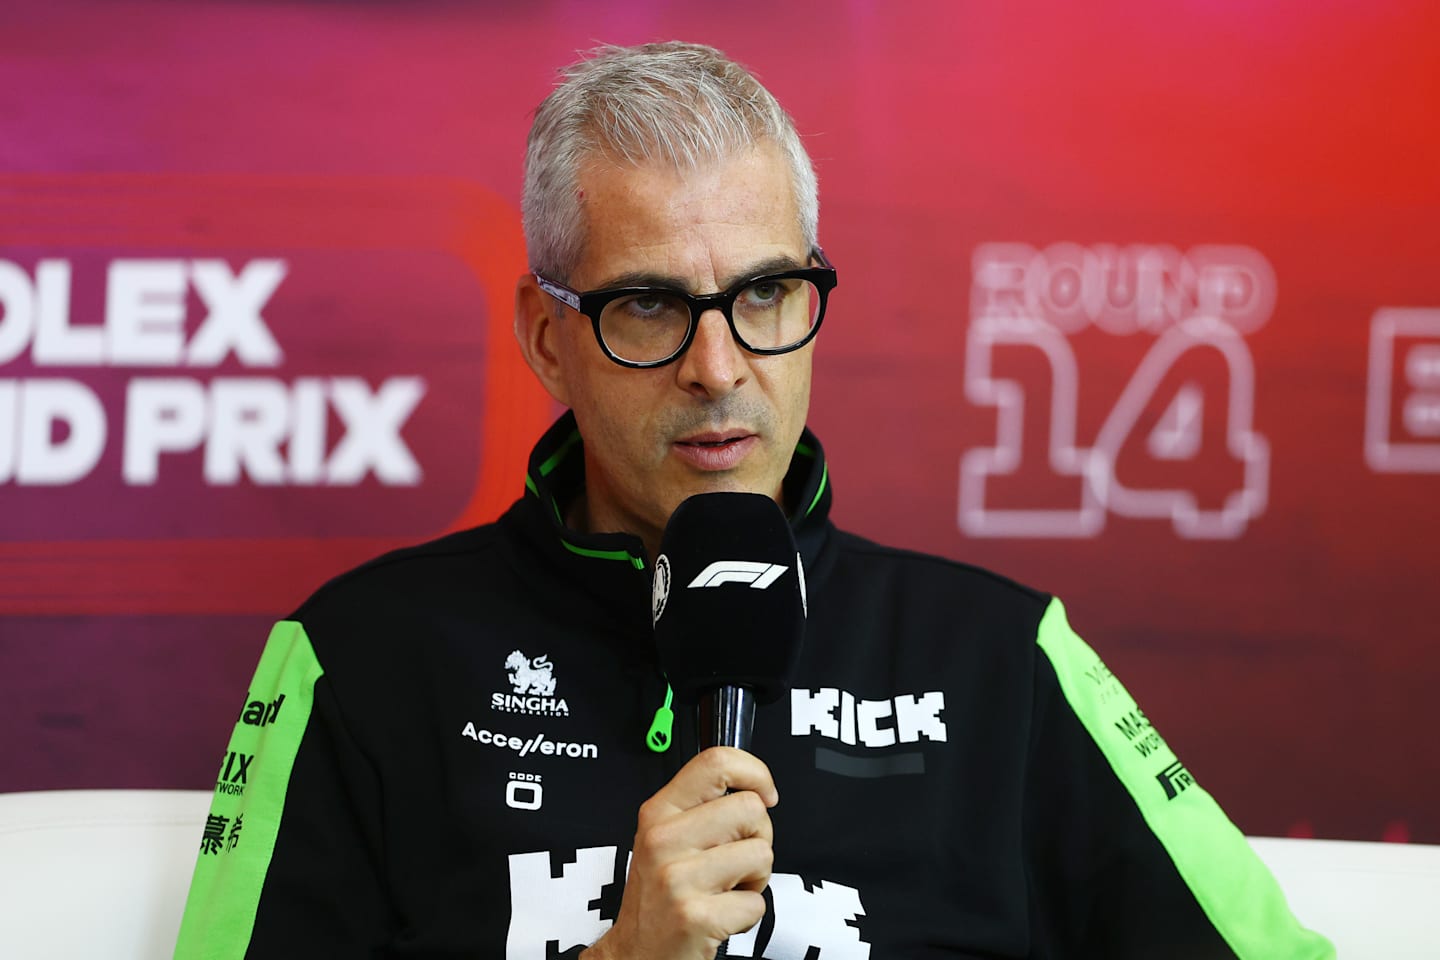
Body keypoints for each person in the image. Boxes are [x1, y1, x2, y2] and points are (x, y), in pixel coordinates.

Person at [173, 42, 1333, 960]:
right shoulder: (359, 655)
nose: (720, 368)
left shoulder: (999, 654)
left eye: (767, 293)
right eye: (647, 307)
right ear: (546, 336)